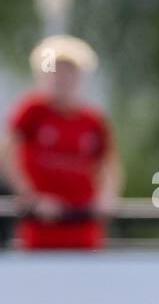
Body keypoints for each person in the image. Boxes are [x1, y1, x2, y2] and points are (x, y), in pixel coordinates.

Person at [0, 35, 120, 251]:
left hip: (83, 230)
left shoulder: (93, 121)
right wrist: (33, 198)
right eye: (55, 70)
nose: (61, 78)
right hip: (39, 232)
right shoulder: (32, 112)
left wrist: (106, 198)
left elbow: (109, 165)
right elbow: (7, 155)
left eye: (69, 71)